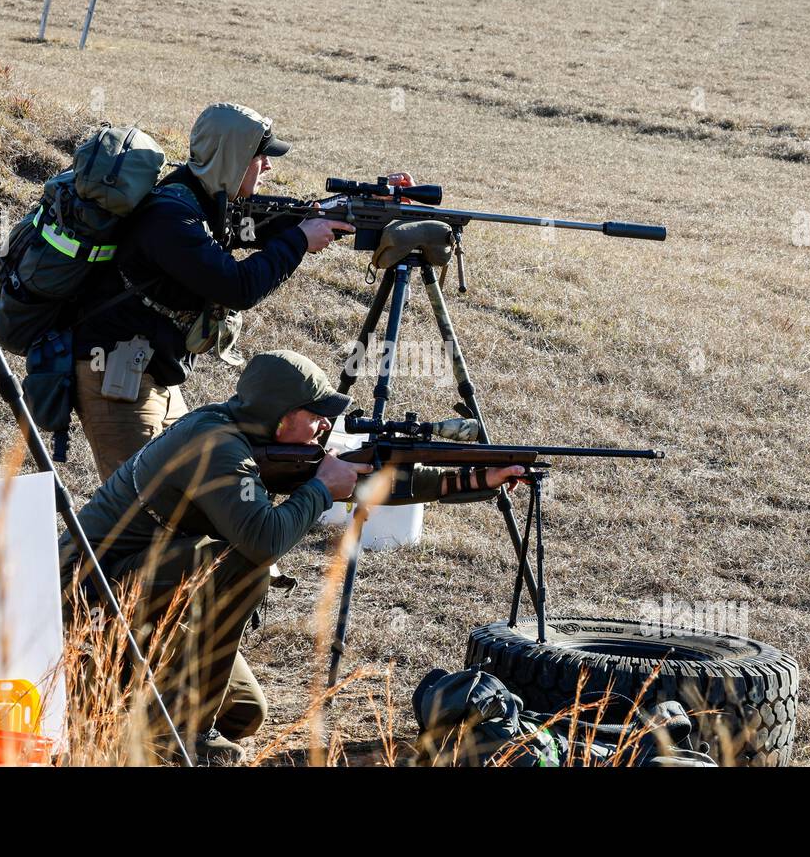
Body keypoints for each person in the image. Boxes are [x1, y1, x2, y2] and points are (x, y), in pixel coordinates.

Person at [60, 350, 523, 764]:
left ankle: (130, 725)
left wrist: (470, 481)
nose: (325, 425)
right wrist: (322, 489)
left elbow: (367, 480)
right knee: (236, 564)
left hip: (138, 584)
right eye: (315, 413)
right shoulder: (215, 444)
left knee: (244, 712)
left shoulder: (250, 438)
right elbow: (263, 540)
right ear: (281, 416)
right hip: (84, 594)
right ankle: (183, 736)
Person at [69, 102, 357, 483]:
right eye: (260, 157)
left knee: (179, 491)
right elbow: (238, 287)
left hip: (151, 372)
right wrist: (300, 241)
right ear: (233, 158)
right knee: (139, 504)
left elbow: (260, 225)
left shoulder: (203, 200)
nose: (268, 167)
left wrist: (345, 210)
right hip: (118, 380)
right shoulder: (173, 218)